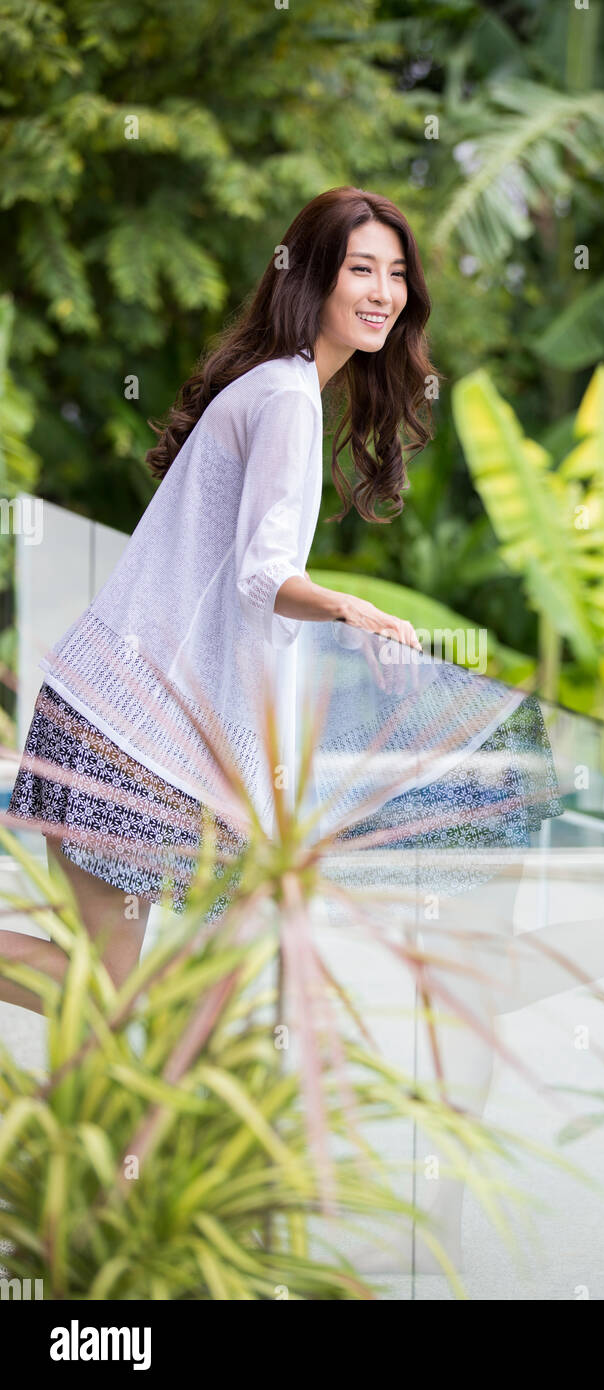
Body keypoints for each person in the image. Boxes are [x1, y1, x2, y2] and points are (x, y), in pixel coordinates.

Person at [2, 186, 446, 1013]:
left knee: (109, 997)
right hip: (125, 737)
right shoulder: (285, 397)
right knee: (133, 991)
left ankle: (138, 1134)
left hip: (111, 719)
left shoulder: (278, 386)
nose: (384, 292)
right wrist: (358, 611)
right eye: (361, 270)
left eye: (395, 275)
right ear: (314, 278)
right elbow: (262, 575)